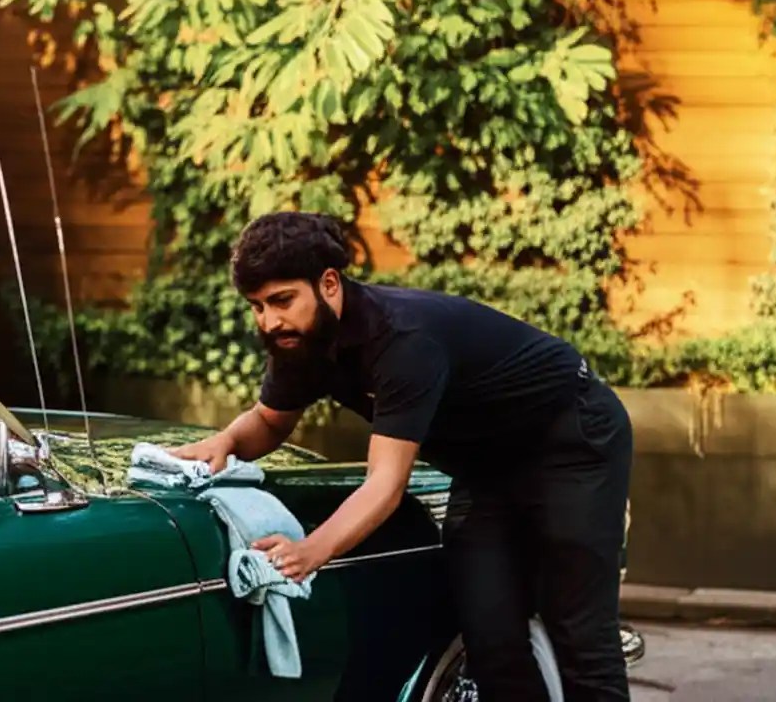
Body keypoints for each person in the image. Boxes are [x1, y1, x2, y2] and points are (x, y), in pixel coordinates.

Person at [171, 211, 633, 700]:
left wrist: (311, 551)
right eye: (257, 306)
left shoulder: (403, 341)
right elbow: (268, 421)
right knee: (488, 634)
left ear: (329, 284)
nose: (269, 320)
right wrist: (225, 442)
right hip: (487, 468)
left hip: (570, 442)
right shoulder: (301, 340)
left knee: (579, 631)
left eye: (281, 301)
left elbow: (385, 488)